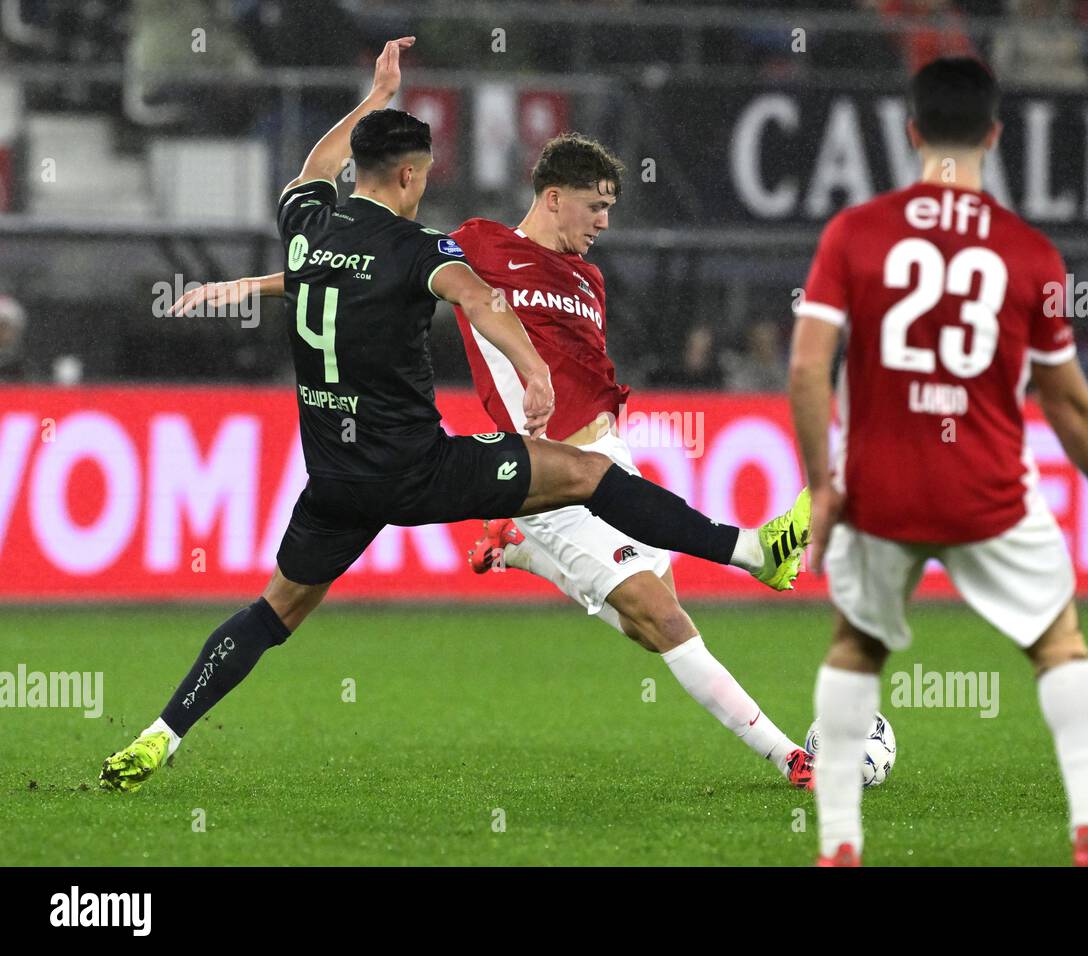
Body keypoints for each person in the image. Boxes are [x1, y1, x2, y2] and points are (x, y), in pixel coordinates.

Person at [101, 37, 810, 793]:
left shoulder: (308, 227)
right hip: (423, 470)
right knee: (591, 476)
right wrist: (533, 368)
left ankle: (158, 735)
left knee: (272, 615)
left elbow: (315, 171)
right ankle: (745, 552)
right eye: (423, 175)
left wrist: (371, 104)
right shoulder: (417, 249)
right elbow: (477, 295)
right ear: (409, 176)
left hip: (336, 483)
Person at [788, 57, 1088, 867]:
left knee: (855, 647)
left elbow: (806, 369)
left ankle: (838, 847)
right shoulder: (1028, 253)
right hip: (989, 489)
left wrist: (824, 489)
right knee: (1060, 646)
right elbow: (1070, 404)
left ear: (912, 133)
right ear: (995, 136)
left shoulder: (855, 233)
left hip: (881, 486)